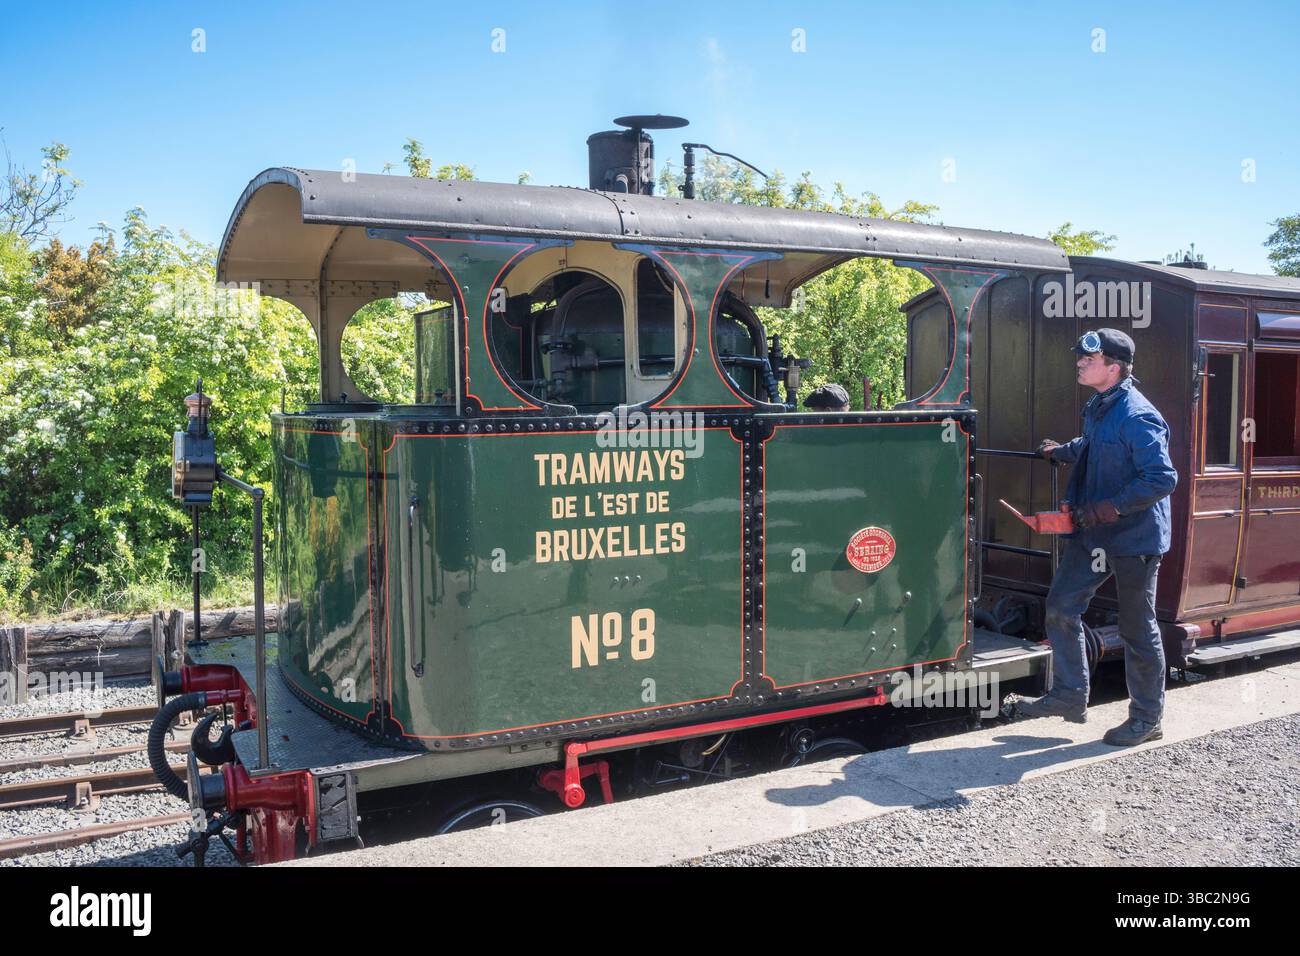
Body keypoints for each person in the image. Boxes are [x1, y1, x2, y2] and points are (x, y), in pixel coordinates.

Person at [1017, 328, 1177, 746]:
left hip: (1134, 539)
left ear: (1115, 367)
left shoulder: (1139, 414)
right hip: (1095, 533)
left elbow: (1161, 478)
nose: (1080, 363)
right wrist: (1062, 451)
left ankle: (1147, 718)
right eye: (1082, 359)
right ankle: (1069, 697)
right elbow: (1096, 446)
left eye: (1090, 359)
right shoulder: (1100, 405)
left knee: (1137, 628)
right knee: (1060, 607)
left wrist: (1109, 507)